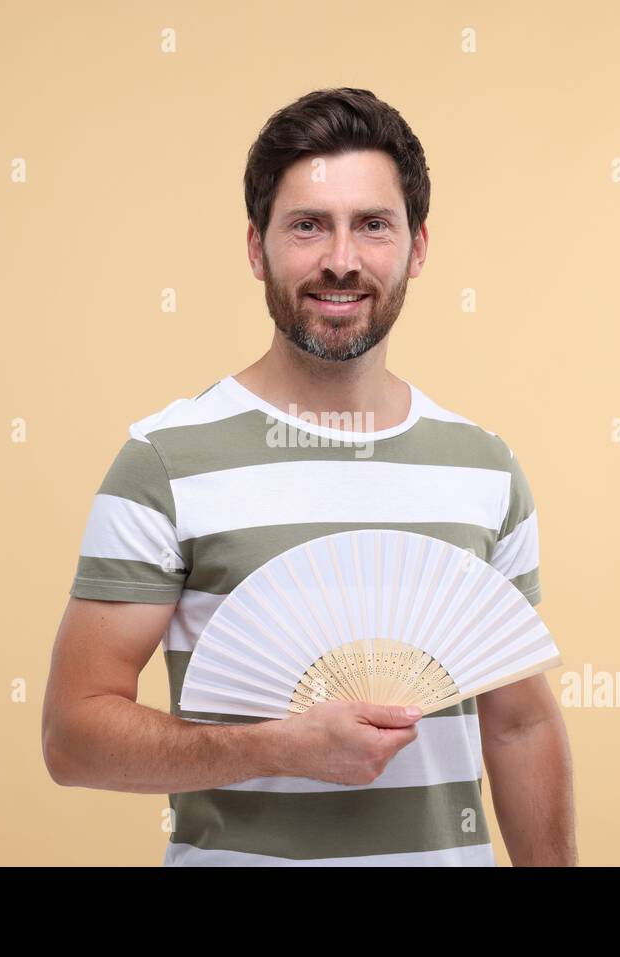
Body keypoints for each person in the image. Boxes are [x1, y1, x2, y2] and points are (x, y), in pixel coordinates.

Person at [41, 87, 576, 867]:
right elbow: (74, 736)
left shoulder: (484, 469)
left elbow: (520, 722)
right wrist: (277, 748)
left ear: (417, 248)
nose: (341, 260)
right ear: (257, 248)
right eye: (307, 226)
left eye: (372, 225)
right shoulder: (165, 462)